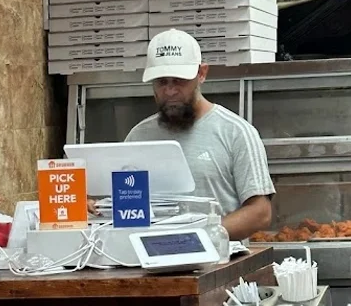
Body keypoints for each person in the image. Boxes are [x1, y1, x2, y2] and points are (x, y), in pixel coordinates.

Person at [89, 29, 274, 241]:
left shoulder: (235, 132)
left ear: (201, 73)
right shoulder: (139, 137)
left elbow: (260, 212)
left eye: (179, 80)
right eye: (161, 82)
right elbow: (125, 206)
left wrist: (200, 237)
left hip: (218, 265)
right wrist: (97, 208)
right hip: (151, 262)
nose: (170, 91)